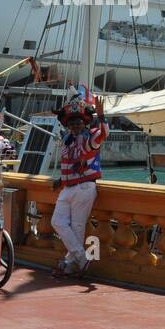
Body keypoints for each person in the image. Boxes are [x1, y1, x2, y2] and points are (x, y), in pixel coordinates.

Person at [49, 92, 107, 278]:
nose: (75, 125)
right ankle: (82, 259)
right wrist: (61, 179)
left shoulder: (90, 138)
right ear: (67, 124)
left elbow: (104, 134)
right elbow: (68, 164)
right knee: (57, 222)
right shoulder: (67, 140)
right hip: (68, 187)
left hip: (84, 187)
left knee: (77, 227)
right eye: (72, 122)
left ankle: (71, 263)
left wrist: (102, 116)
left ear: (85, 123)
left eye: (79, 122)